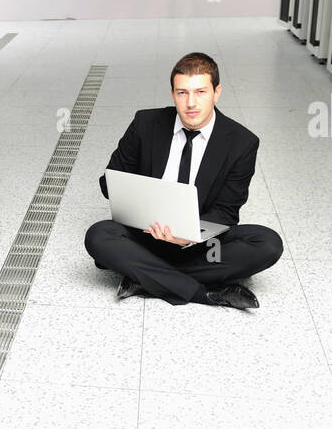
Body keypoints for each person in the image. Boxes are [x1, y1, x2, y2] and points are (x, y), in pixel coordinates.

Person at [83, 52, 283, 309]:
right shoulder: (145, 124)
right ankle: (206, 293)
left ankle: (143, 276)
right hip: (145, 238)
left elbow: (226, 212)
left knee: (267, 243)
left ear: (216, 92)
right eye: (182, 93)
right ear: (173, 94)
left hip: (201, 246)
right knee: (99, 236)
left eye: (200, 92)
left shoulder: (241, 142)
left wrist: (189, 236)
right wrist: (130, 194)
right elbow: (108, 184)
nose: (191, 103)